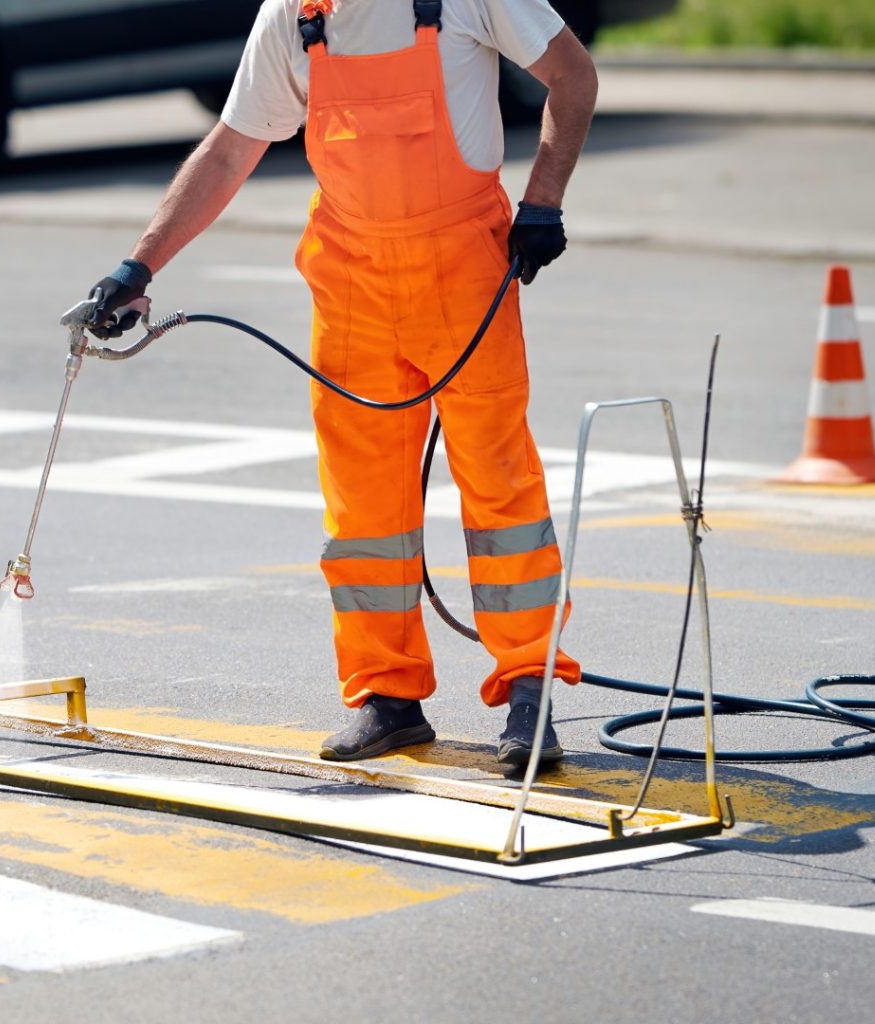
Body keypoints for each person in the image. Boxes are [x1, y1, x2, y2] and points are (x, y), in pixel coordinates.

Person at [81, 0, 595, 766]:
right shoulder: (294, 16)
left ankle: (531, 687)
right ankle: (389, 697)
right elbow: (229, 150)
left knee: (499, 484)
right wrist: (139, 265)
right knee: (363, 507)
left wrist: (544, 202)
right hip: (351, 278)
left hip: (463, 265)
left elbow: (573, 77)